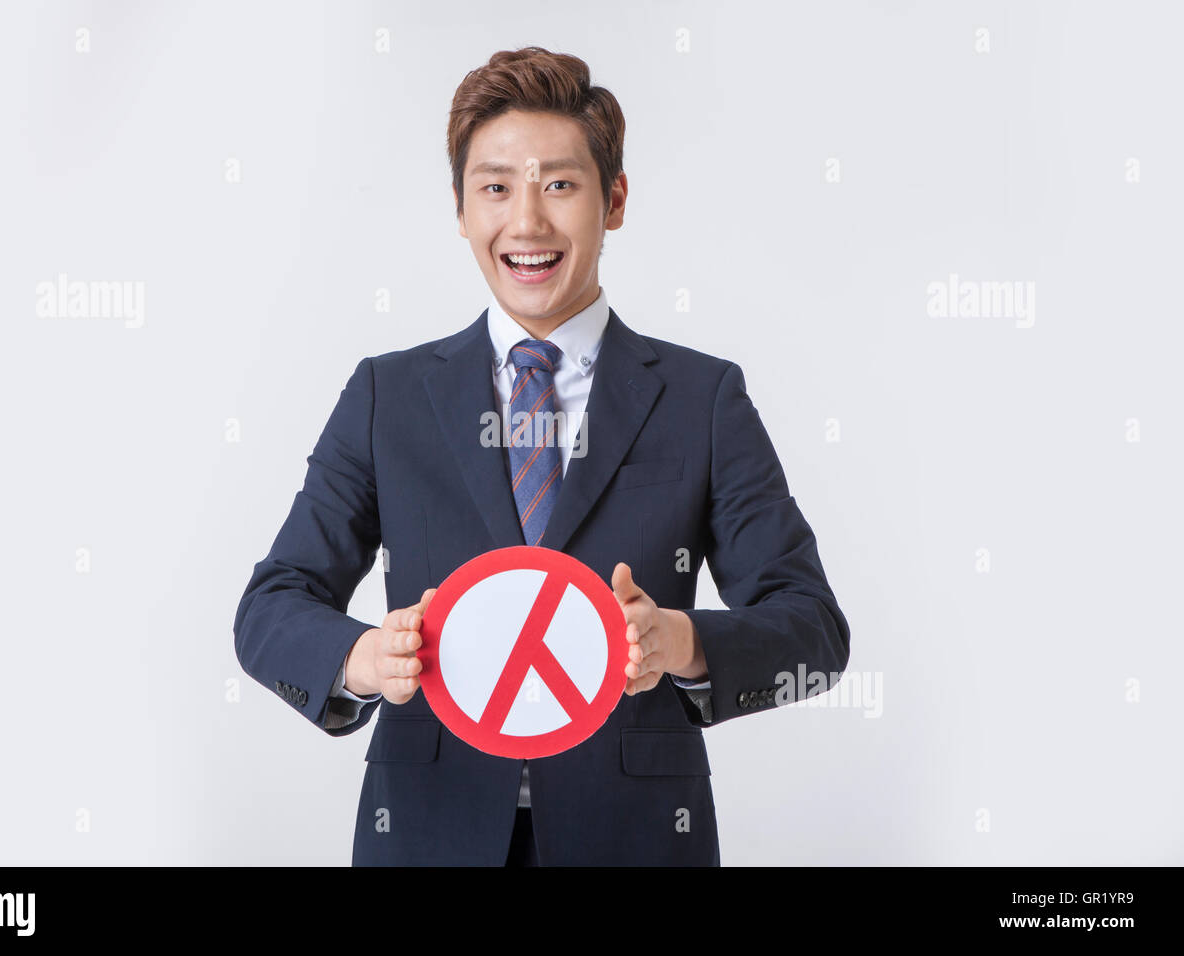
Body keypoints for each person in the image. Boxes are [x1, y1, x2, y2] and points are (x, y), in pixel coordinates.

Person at [232, 46, 850, 866]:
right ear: (460, 208)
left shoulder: (703, 399)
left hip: (632, 839)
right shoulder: (388, 395)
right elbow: (271, 605)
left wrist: (679, 642)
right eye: (495, 188)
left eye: (558, 184)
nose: (525, 224)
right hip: (429, 829)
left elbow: (813, 628)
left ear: (615, 199)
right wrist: (363, 658)